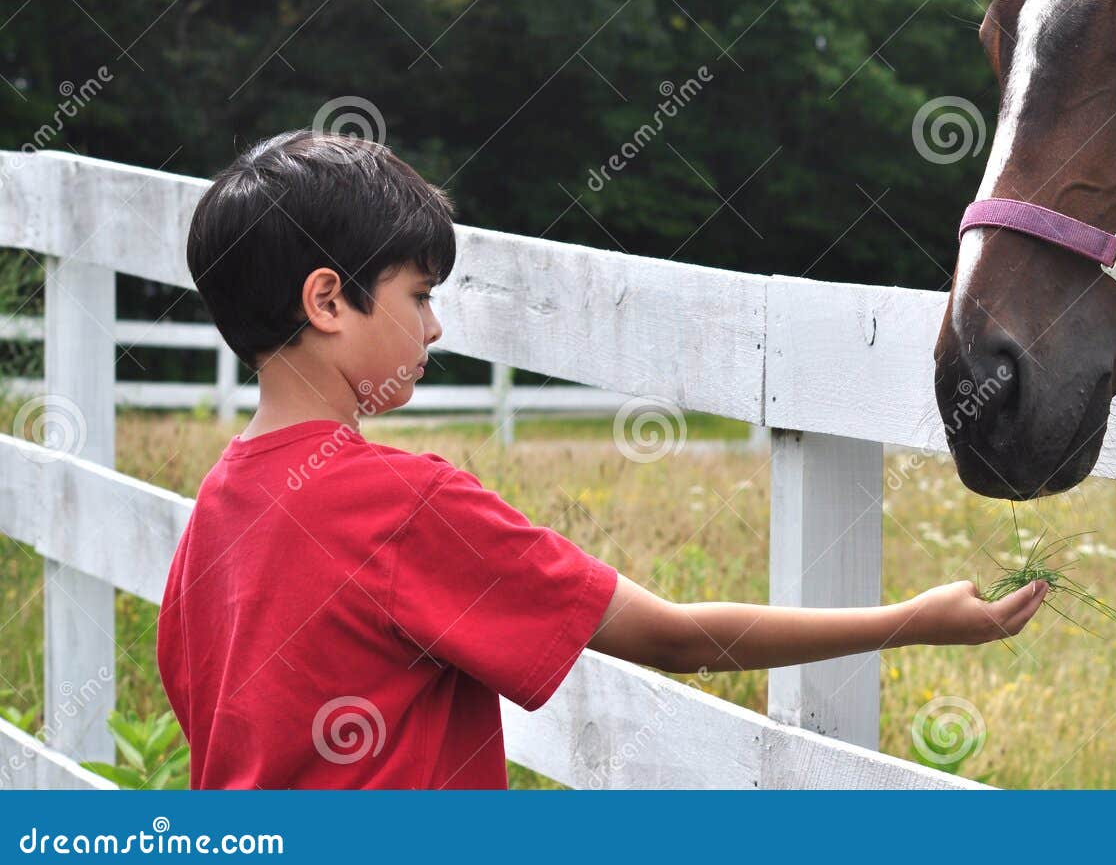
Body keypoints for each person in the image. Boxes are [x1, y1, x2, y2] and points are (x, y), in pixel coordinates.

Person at [157, 129, 1047, 788]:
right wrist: (912, 619)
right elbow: (669, 634)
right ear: (327, 300)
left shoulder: (216, 510)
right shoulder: (401, 505)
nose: (433, 326)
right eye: (418, 295)